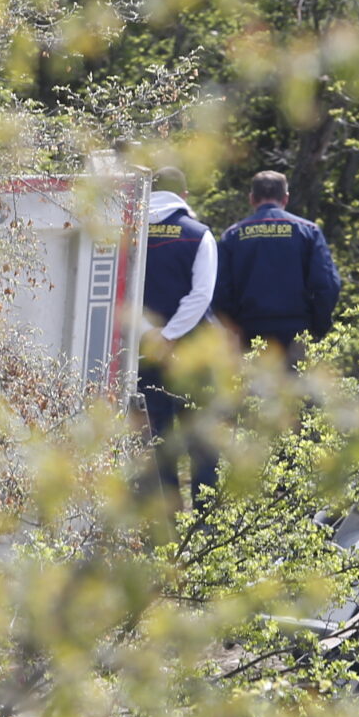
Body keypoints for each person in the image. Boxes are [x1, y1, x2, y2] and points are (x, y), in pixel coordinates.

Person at [137, 166, 220, 504]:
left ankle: (165, 523)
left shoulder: (131, 233)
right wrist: (172, 334)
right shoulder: (199, 234)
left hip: (145, 350)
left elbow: (123, 293)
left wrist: (153, 334)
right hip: (195, 349)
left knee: (157, 435)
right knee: (202, 435)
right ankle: (206, 523)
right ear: (183, 195)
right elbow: (201, 296)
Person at [214, 170, 340, 363]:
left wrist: (233, 328)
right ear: (286, 198)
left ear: (252, 198)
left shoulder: (233, 235)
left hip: (250, 332)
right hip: (297, 332)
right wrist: (318, 328)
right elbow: (326, 285)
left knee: (252, 391)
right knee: (296, 392)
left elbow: (220, 290)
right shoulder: (308, 231)